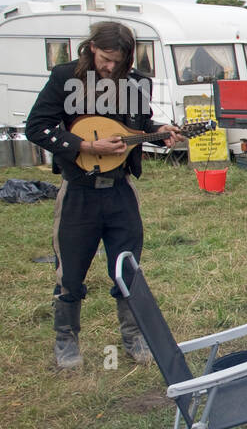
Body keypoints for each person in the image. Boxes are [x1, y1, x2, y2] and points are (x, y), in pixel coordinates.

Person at [25, 21, 184, 370]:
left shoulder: (137, 82)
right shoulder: (65, 78)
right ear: (91, 47)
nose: (109, 66)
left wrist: (160, 131)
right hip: (78, 193)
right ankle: (66, 340)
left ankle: (134, 336)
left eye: (117, 60)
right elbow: (36, 126)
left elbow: (139, 126)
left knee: (127, 266)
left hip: (120, 191)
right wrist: (84, 144)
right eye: (104, 57)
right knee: (70, 269)